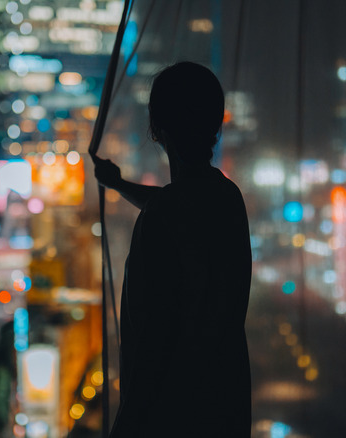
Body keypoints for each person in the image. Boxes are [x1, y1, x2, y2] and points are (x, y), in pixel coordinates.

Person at [93, 62, 252, 437]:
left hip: (170, 417)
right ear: (214, 125)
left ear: (156, 130)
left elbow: (154, 345)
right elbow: (182, 203)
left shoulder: (163, 217)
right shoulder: (227, 199)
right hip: (224, 411)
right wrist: (119, 186)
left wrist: (125, 427)